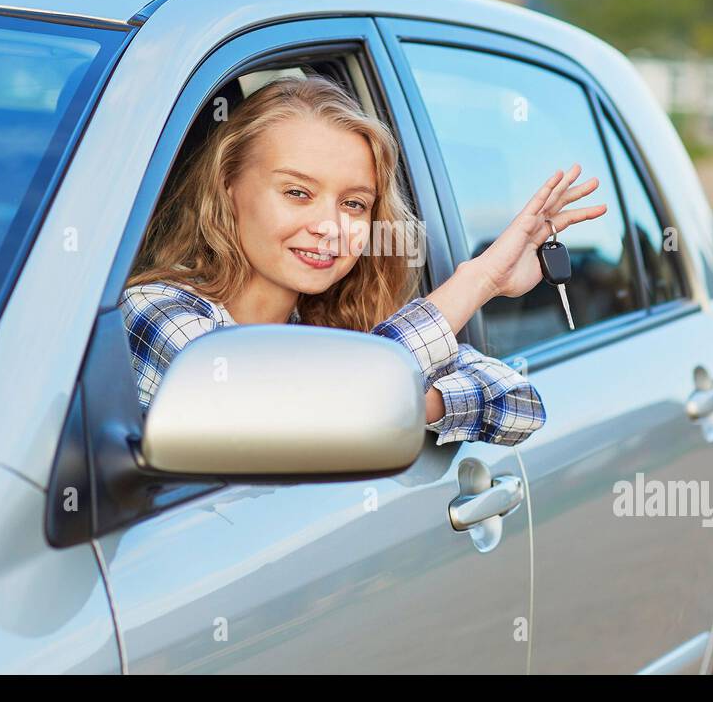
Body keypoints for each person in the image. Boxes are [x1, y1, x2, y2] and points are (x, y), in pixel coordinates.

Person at [121, 74, 606, 447]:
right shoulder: (155, 312)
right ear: (227, 188)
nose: (330, 226)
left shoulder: (336, 327)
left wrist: (398, 402)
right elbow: (279, 409)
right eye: (297, 192)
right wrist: (477, 281)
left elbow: (520, 403)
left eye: (353, 204)